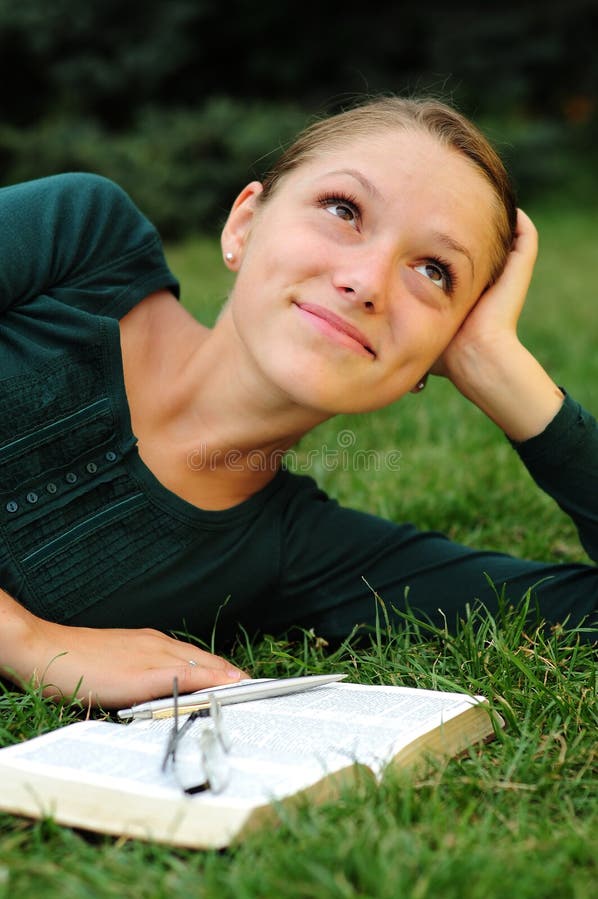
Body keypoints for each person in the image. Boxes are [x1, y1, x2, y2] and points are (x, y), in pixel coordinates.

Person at [0, 96, 595, 711]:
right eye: (344, 210)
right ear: (244, 226)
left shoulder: (302, 557)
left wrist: (500, 369)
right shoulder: (79, 240)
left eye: (435, 271)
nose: (367, 281)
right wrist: (28, 641)